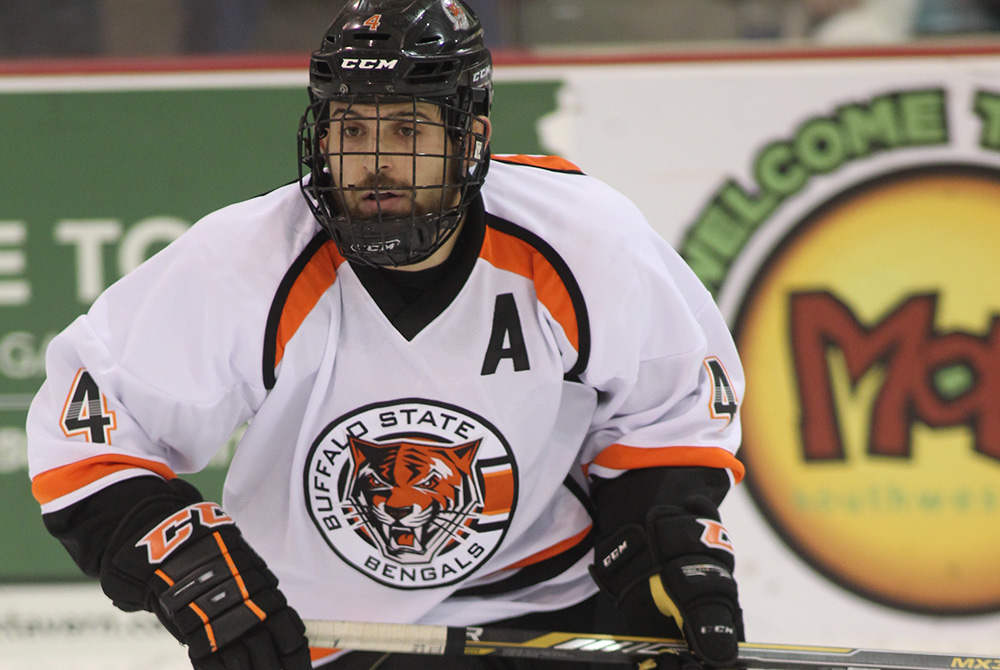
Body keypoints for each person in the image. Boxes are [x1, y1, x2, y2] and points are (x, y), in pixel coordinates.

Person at [25, 1, 747, 669]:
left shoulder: (579, 237)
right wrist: (199, 578)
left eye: (406, 130)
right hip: (323, 629)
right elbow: (90, 437)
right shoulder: (247, 261)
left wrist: (667, 545)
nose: (374, 163)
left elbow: (668, 410)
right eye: (352, 130)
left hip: (554, 607)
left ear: (470, 139)